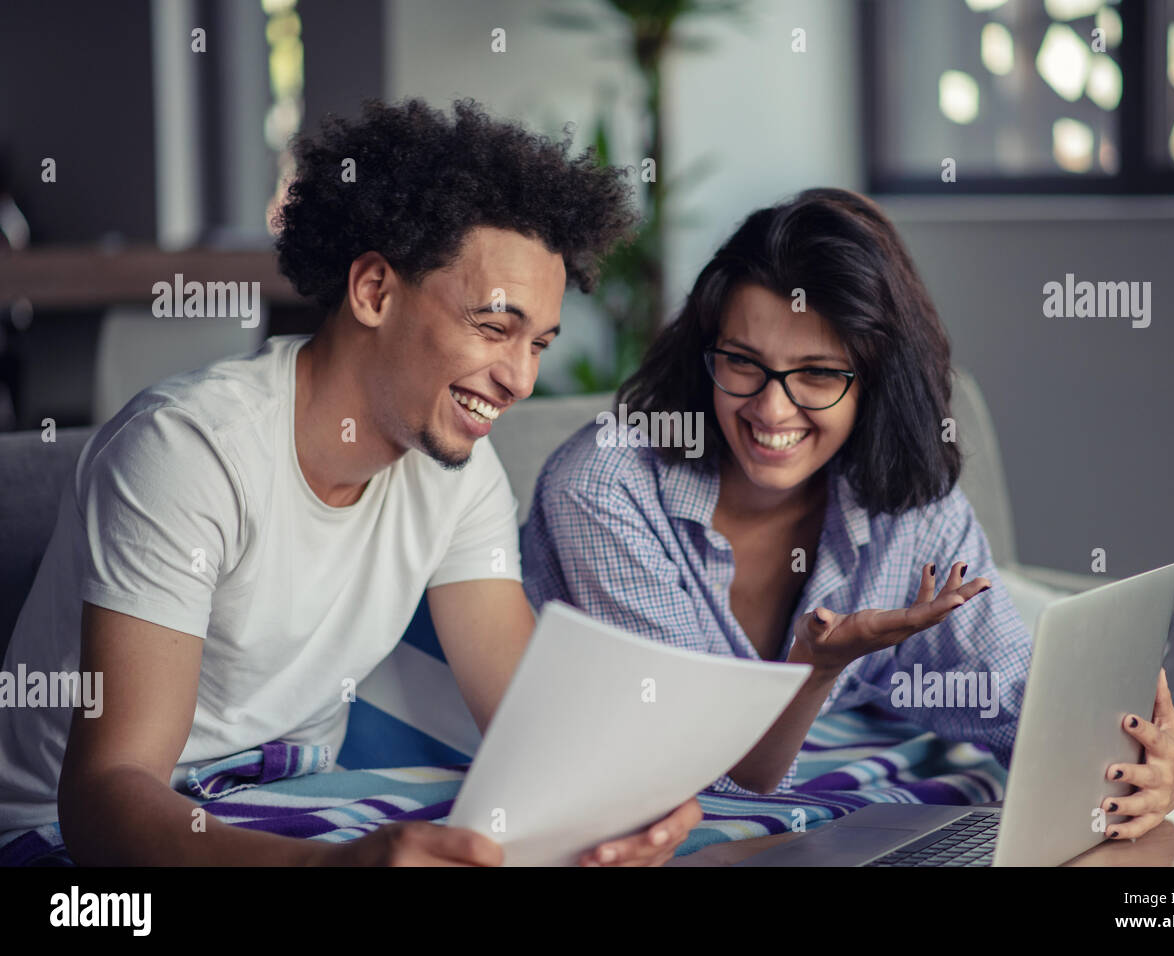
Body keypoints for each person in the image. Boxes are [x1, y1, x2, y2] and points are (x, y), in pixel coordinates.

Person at [0, 98, 700, 866]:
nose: (522, 379)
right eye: (495, 329)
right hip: (80, 839)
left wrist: (631, 793)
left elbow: (530, 720)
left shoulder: (456, 469)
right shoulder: (189, 450)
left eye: (539, 342)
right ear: (373, 290)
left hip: (294, 799)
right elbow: (107, 795)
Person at [522, 188, 1174, 839]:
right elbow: (697, 774)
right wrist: (817, 669)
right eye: (743, 363)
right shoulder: (606, 488)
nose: (771, 411)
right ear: (706, 357)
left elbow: (1015, 706)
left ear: (876, 381)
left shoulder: (911, 506)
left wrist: (1141, 773)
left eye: (816, 374)